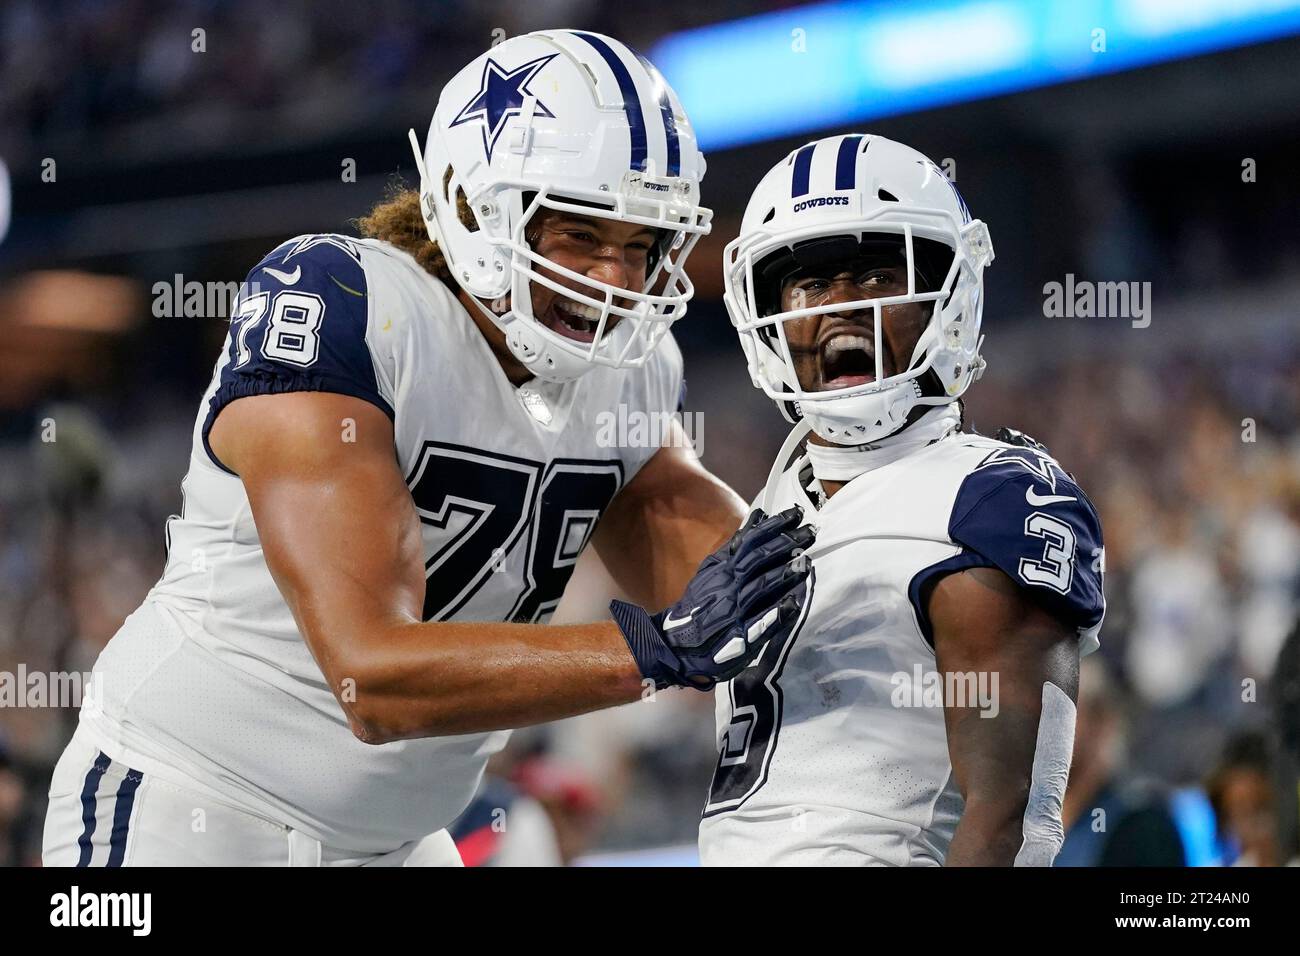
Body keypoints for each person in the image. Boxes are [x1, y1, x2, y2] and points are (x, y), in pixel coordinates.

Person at [42, 30, 812, 867]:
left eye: (641, 245)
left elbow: (733, 578)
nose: (616, 282)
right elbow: (370, 677)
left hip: (400, 842)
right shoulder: (344, 305)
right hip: (195, 807)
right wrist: (654, 650)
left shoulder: (630, 373)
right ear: (471, 203)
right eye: (582, 237)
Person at [699, 133, 1105, 866]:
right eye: (810, 285)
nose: (841, 308)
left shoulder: (986, 501)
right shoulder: (777, 500)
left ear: (950, 296)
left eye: (879, 275)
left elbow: (1014, 819)